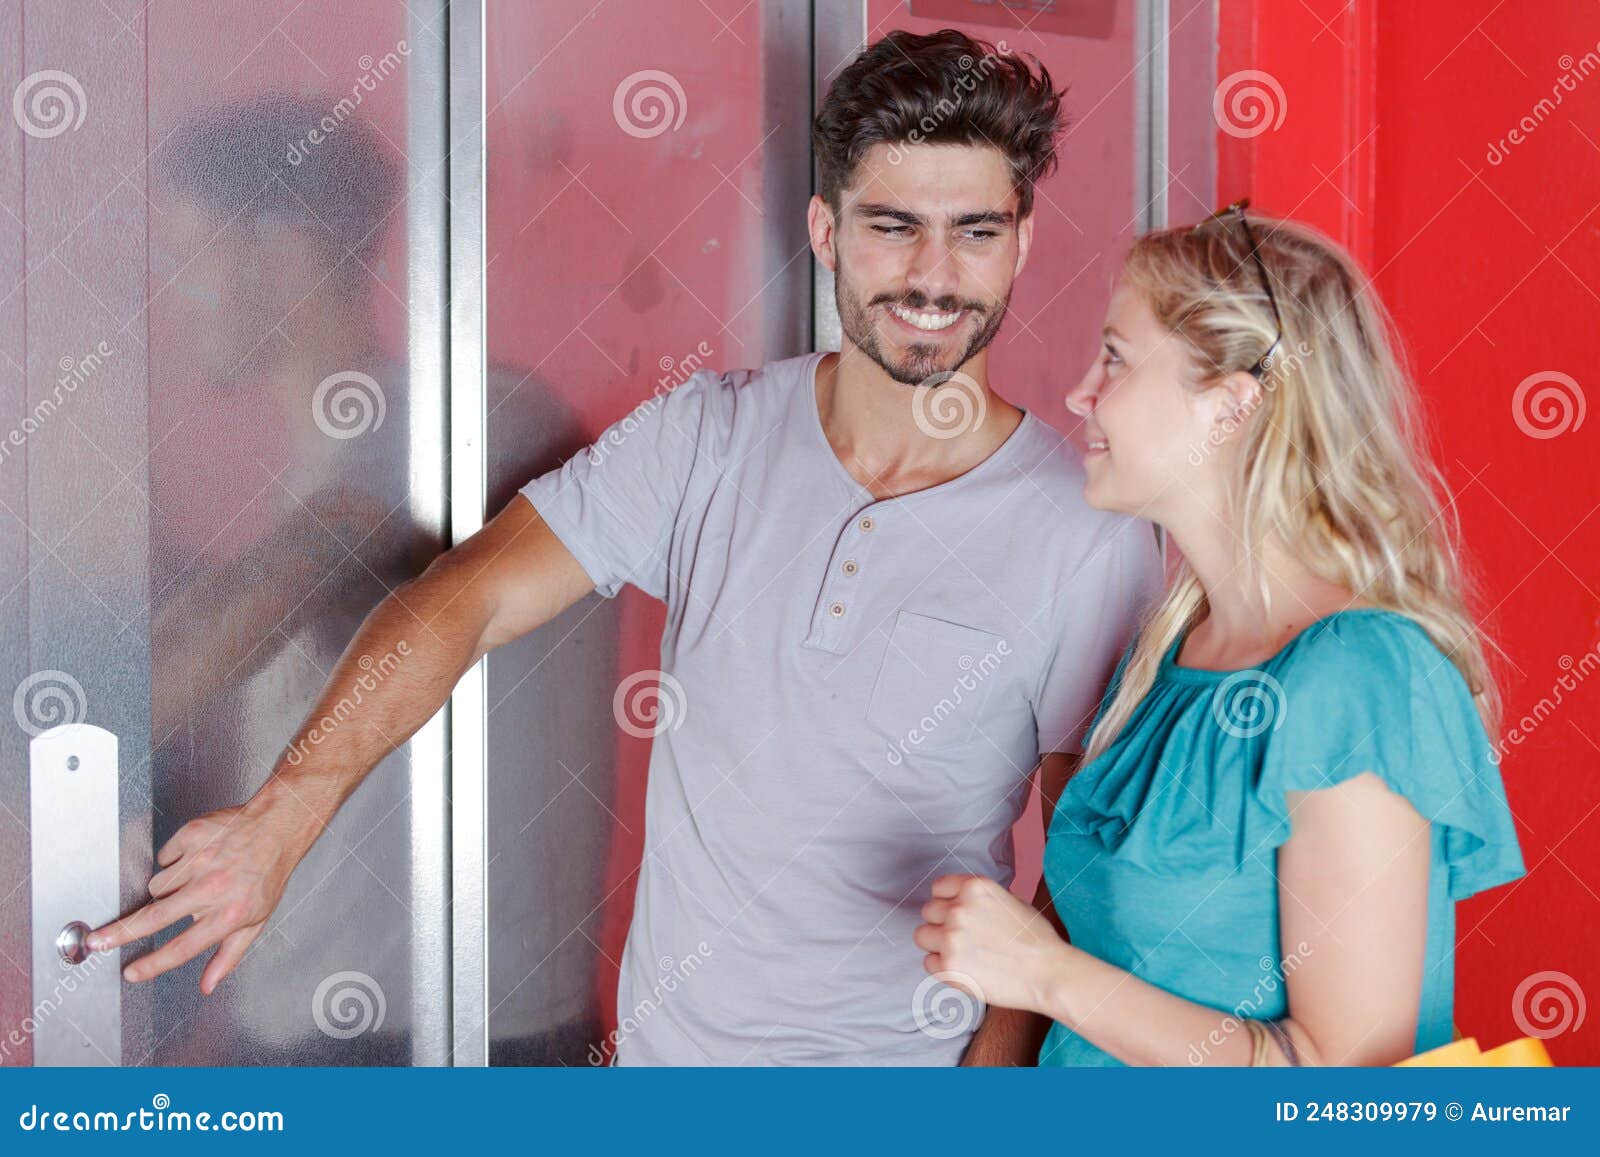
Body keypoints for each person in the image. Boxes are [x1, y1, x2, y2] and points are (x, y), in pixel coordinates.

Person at [88, 29, 1164, 1065]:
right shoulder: (706, 435)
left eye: (975, 231)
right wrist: (282, 817)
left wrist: (980, 1101)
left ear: (1020, 241)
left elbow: (1082, 873)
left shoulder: (1086, 533)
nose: (934, 276)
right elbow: (462, 599)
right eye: (893, 226)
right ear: (826, 231)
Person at [912, 201, 1527, 1066]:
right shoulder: (1163, 657)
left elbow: (1344, 1085)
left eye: (1116, 359)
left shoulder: (1359, 674)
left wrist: (1045, 975)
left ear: (1232, 409)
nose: (1080, 391)